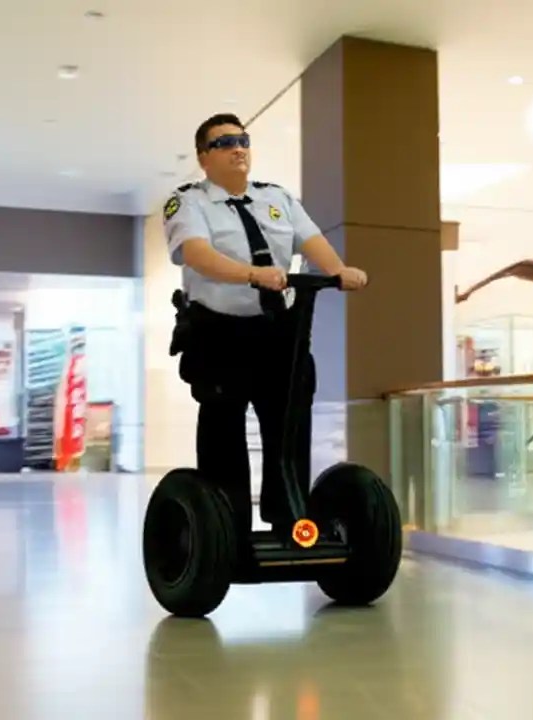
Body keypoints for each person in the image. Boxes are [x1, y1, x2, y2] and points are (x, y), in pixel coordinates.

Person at [163, 112, 368, 543]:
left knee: (289, 424)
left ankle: (289, 518)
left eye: (242, 140)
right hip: (219, 333)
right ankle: (226, 526)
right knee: (223, 431)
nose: (237, 148)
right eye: (223, 143)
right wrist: (251, 274)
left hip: (278, 333)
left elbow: (311, 240)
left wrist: (338, 271)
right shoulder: (189, 201)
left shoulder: (277, 198)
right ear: (203, 157)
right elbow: (196, 254)